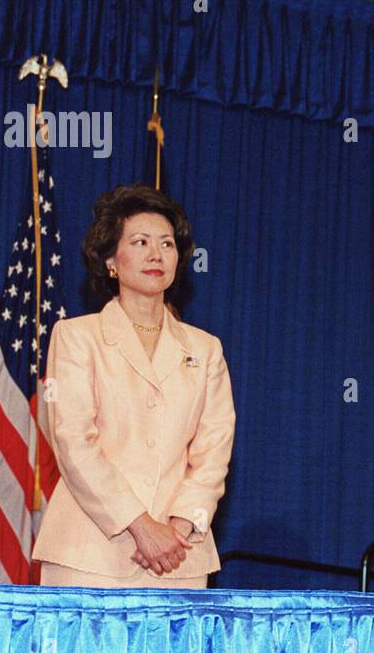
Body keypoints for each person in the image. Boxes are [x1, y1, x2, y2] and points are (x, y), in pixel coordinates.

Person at [32, 185, 235, 588]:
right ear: (111, 260)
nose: (156, 254)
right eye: (140, 242)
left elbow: (213, 452)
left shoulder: (206, 349)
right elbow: (73, 441)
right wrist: (141, 527)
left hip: (180, 558)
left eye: (166, 244)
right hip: (88, 552)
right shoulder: (76, 337)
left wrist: (176, 529)